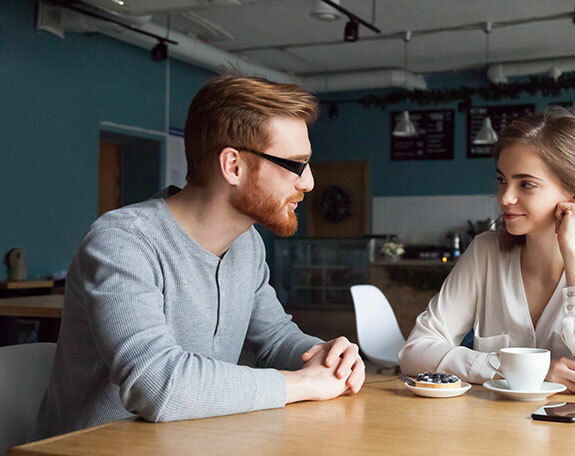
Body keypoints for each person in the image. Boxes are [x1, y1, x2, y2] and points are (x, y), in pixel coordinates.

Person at [30, 75, 365, 440]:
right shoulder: (123, 241)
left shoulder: (246, 244)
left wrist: (326, 358)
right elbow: (157, 385)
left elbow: (274, 340)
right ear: (233, 165)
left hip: (194, 443)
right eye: (296, 165)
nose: (309, 183)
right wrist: (302, 384)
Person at [399, 108, 575, 394]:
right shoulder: (485, 252)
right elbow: (414, 352)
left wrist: (572, 252)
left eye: (526, 184)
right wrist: (518, 369)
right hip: (493, 432)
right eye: (502, 180)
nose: (505, 197)